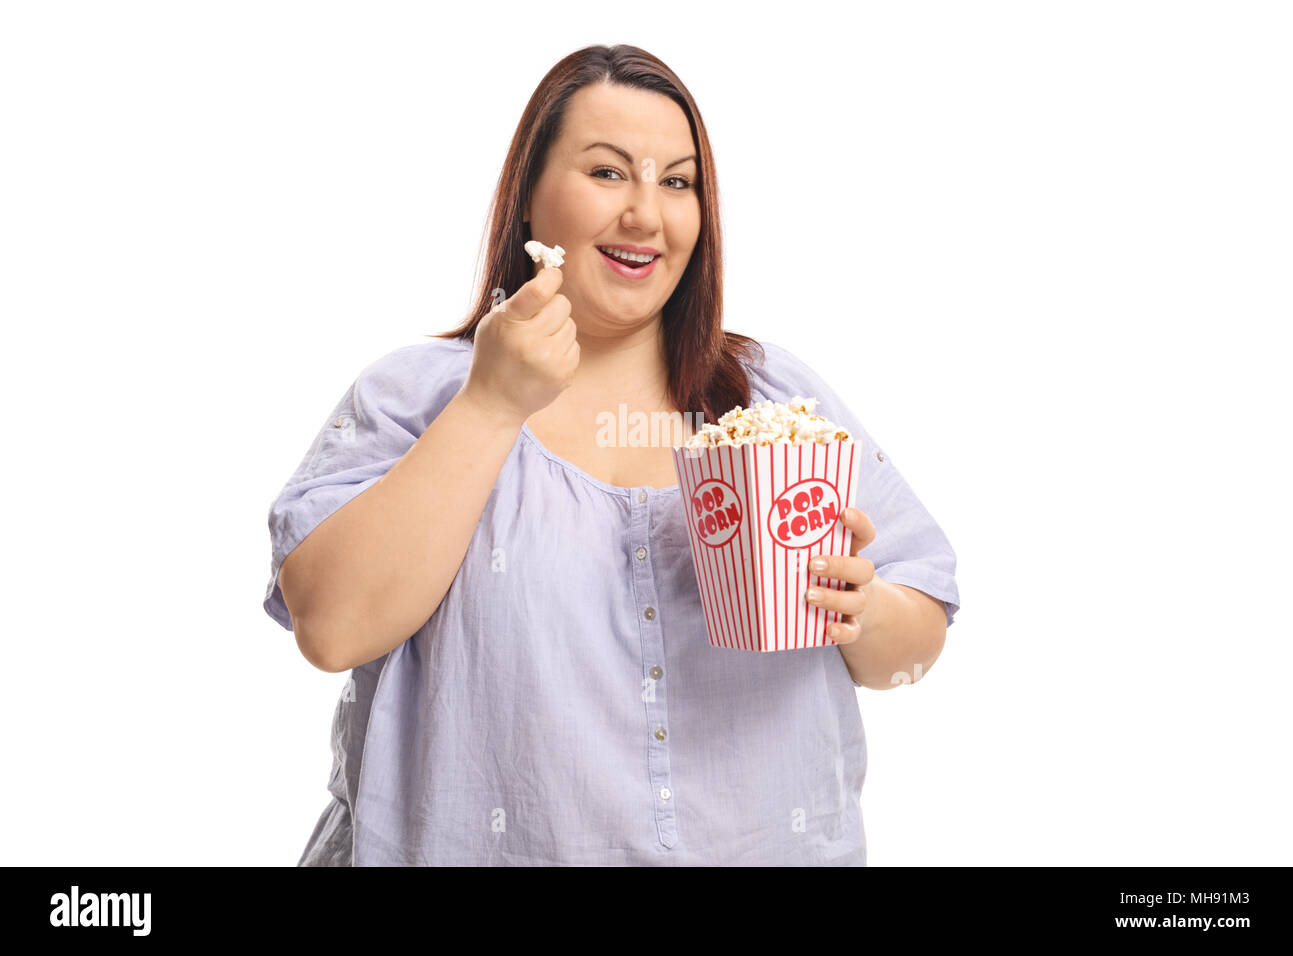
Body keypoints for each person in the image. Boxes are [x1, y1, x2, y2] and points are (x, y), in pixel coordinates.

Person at [262, 44, 960, 866]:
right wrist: (492, 403)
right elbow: (331, 628)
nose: (645, 216)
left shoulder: (773, 403)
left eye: (677, 182)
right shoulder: (414, 396)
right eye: (606, 173)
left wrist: (866, 613)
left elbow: (915, 640)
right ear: (528, 197)